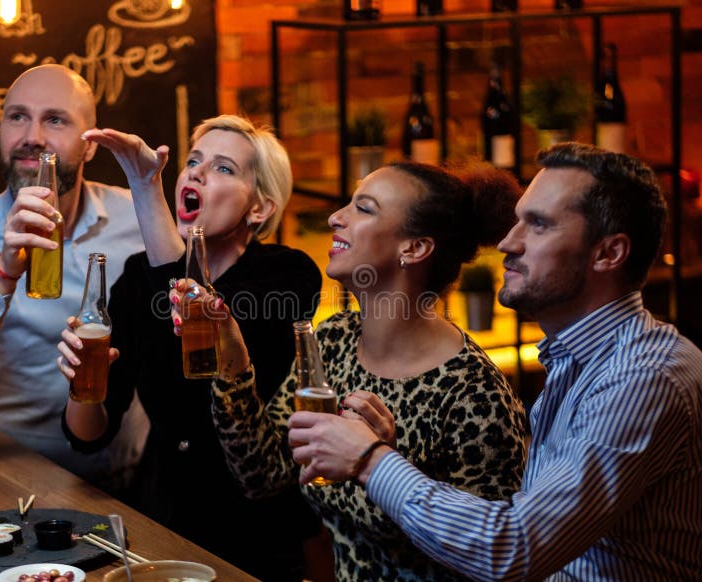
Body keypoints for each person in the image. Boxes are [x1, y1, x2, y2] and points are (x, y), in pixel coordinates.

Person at [288, 143, 702, 580]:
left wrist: (370, 460)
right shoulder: (576, 358)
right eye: (518, 219)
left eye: (538, 225)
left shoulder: (644, 377)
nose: (508, 241)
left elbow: (513, 550)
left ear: (608, 253)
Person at [179, 161, 529, 580]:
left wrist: (380, 466)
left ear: (414, 248)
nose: (335, 217)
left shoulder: (474, 395)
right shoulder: (334, 340)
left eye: (363, 208)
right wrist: (232, 355)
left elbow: (494, 561)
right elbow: (265, 472)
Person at [58, 115, 324, 581]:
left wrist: (145, 187)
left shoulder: (287, 277)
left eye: (224, 169)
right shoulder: (137, 277)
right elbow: (89, 435)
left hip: (253, 535)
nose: (196, 173)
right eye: (194, 161)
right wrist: (84, 385)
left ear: (259, 209)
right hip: (159, 521)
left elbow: (190, 322)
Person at [0, 64, 149, 488]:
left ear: (90, 145)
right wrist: (2, 273)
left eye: (54, 119)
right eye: (17, 116)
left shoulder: (139, 216)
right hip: (21, 478)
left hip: (140, 478)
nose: (32, 136)